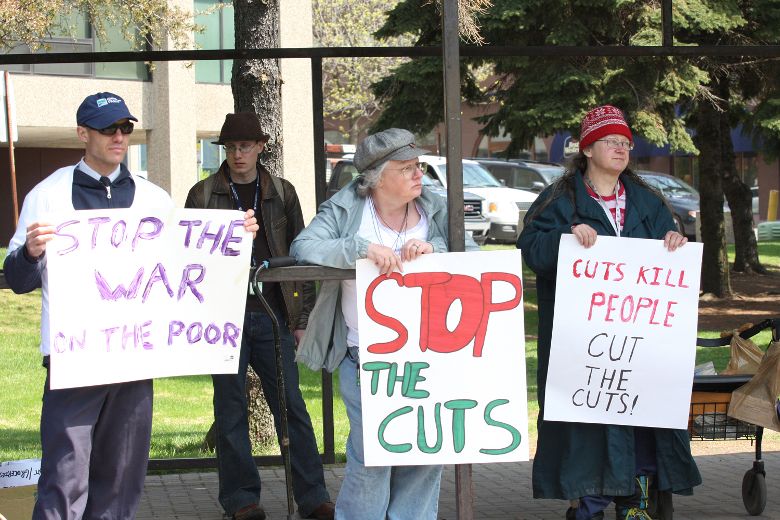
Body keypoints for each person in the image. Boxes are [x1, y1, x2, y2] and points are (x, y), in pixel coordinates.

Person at [3, 92, 257, 520]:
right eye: (108, 129)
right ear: (83, 134)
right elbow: (16, 279)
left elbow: (186, 268)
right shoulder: (47, 196)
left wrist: (235, 238)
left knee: (122, 478)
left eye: (125, 128)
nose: (119, 136)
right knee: (64, 476)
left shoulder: (153, 198)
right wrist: (29, 252)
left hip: (135, 360)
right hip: (75, 360)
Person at [517, 105, 702, 520]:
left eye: (626, 143)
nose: (621, 149)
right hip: (583, 348)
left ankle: (635, 503)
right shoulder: (560, 200)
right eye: (611, 142)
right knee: (586, 427)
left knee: (640, 419)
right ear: (587, 149)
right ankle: (588, 504)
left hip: (638, 345)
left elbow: (664, 254)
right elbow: (532, 250)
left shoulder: (646, 201)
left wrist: (673, 239)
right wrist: (566, 237)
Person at [291, 128, 479, 519]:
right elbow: (303, 247)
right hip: (366, 355)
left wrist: (435, 249)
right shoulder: (343, 209)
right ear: (377, 177)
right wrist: (361, 249)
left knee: (428, 453)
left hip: (434, 355)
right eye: (407, 168)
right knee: (373, 457)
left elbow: (472, 252)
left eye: (419, 166)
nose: (418, 175)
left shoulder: (434, 207)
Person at [184, 112, 334, 520]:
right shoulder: (202, 195)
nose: (237, 154)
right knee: (229, 410)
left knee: (291, 407)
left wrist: (300, 319)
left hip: (272, 314)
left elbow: (299, 261)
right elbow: (190, 261)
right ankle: (241, 500)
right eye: (231, 147)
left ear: (261, 147)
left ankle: (312, 495)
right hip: (223, 318)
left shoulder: (282, 192)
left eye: (245, 146)